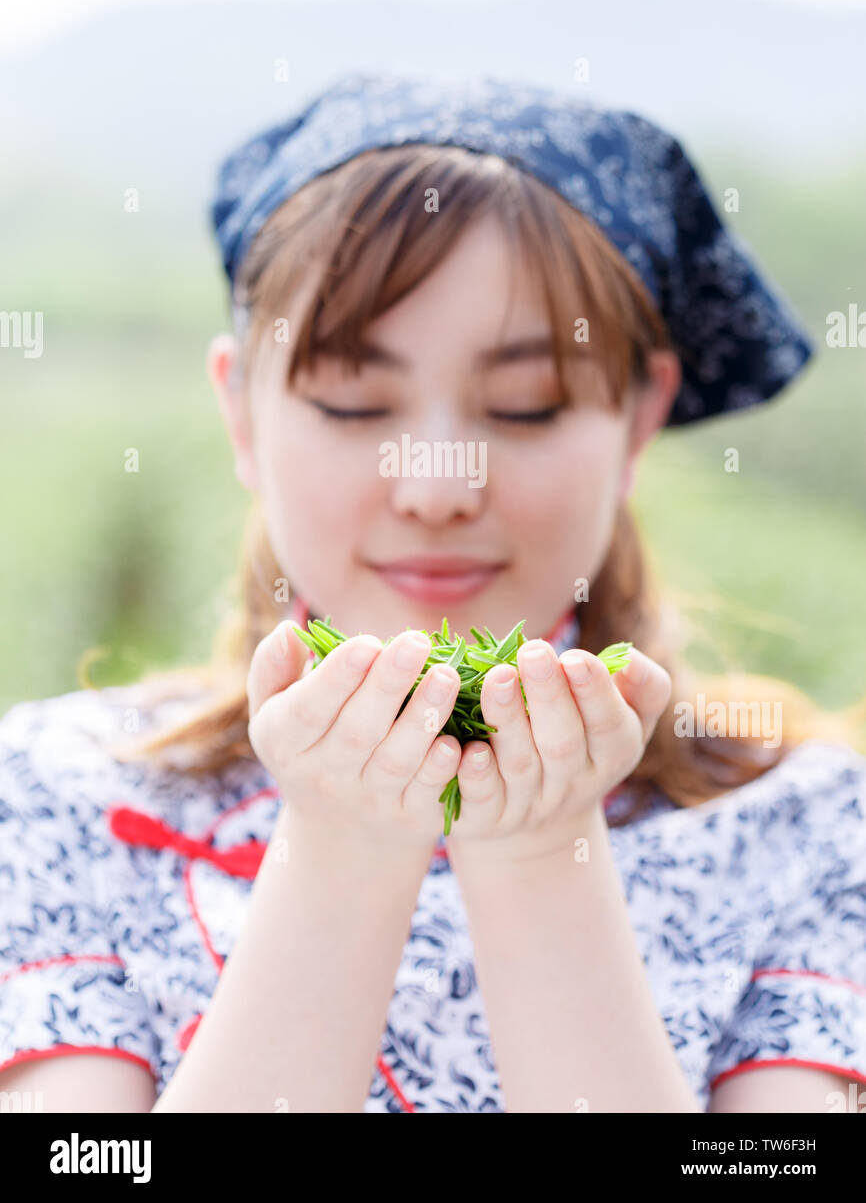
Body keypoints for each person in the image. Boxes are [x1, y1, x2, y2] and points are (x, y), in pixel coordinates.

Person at [1, 71, 864, 1114]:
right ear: (241, 414)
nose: (437, 488)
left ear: (640, 420)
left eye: (525, 405)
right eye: (353, 402)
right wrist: (343, 846)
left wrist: (542, 850)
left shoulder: (803, 828)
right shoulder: (65, 799)